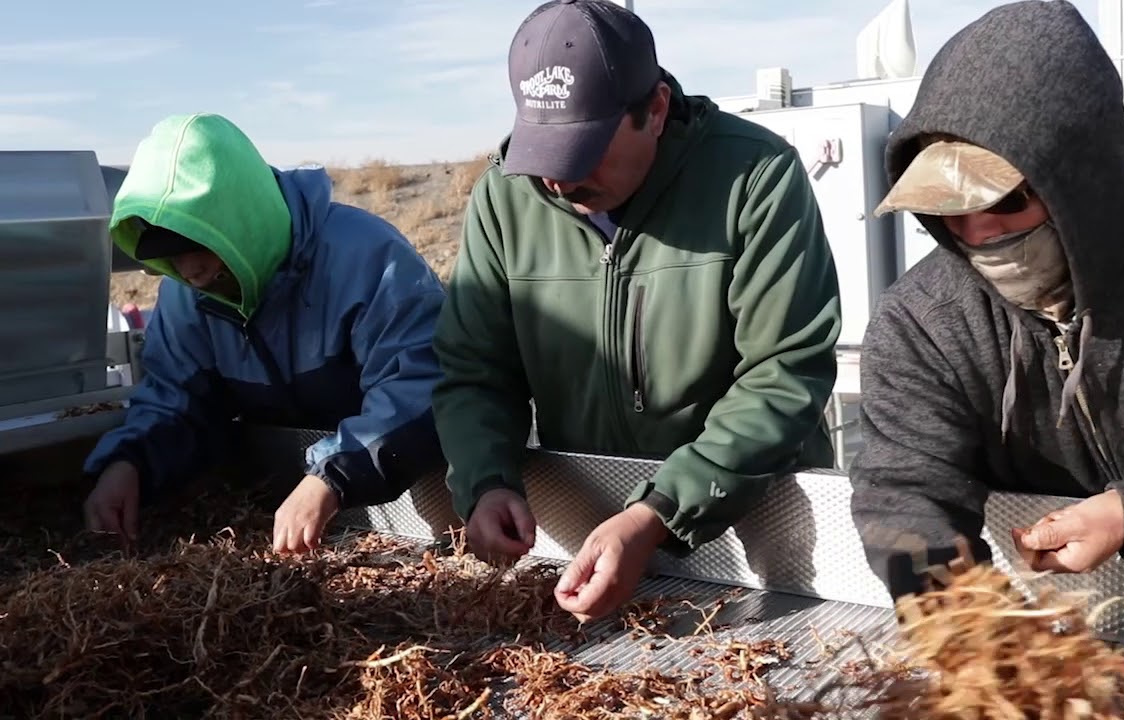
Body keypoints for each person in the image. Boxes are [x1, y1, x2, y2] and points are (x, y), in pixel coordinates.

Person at [850, 0, 1124, 600]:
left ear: (1078, 184)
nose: (978, 232)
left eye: (1006, 202)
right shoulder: (922, 319)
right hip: (1060, 618)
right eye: (949, 207)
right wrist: (950, 612)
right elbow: (904, 482)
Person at [432, 0, 841, 623]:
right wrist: (485, 482)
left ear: (653, 110)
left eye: (583, 150)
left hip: (761, 514)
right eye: (546, 154)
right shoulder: (506, 195)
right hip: (593, 518)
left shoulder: (754, 175)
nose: (560, 184)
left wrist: (658, 512)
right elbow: (475, 367)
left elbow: (785, 369)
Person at [82, 113, 447, 554]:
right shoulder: (184, 298)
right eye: (171, 257)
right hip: (284, 506)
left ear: (242, 220)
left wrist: (333, 477)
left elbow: (419, 382)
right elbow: (174, 399)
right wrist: (129, 462)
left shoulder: (368, 257)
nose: (190, 272)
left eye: (199, 246)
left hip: (397, 496)